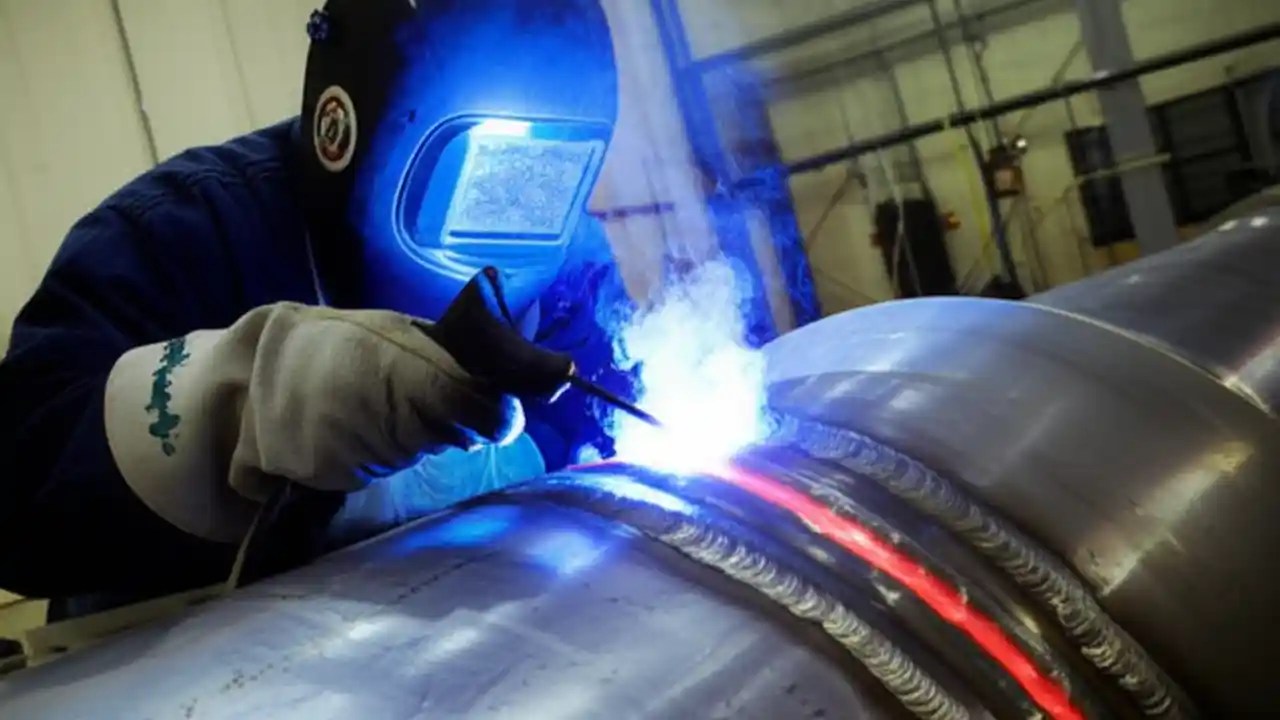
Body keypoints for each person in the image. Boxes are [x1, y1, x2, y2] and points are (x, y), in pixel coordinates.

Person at [0, 0, 633, 618]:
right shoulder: (183, 230)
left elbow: (613, 422)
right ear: (348, 120)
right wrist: (233, 414)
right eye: (490, 175)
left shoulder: (570, 271)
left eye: (546, 183)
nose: (511, 214)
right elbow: (20, 498)